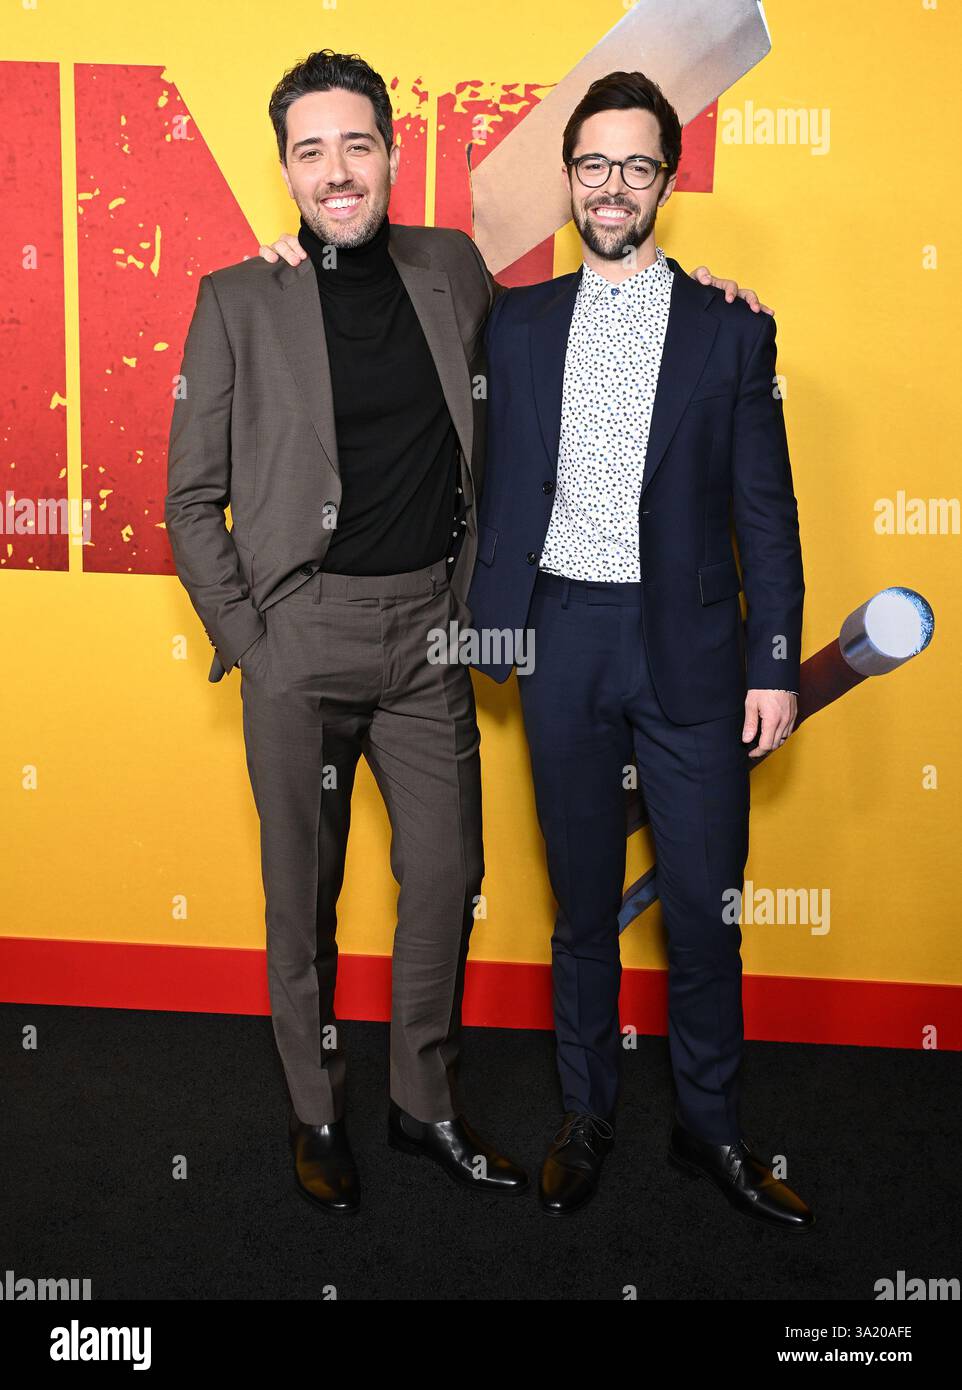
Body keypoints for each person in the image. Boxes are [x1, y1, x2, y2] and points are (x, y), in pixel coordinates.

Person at [173, 46, 762, 1217]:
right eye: (310, 150)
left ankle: (421, 1104)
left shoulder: (450, 269)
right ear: (284, 167)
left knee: (446, 876)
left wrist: (717, 302)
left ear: (390, 152)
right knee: (304, 891)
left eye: (356, 144)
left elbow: (581, 336)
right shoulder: (239, 296)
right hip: (297, 629)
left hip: (432, 634)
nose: (336, 171)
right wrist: (251, 638)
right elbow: (192, 499)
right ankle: (317, 1110)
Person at [465, 71, 813, 1227]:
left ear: (665, 178)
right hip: (560, 632)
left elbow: (764, 509)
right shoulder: (512, 322)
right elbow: (490, 490)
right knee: (578, 909)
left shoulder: (731, 327)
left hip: (695, 652)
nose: (611, 187)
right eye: (592, 165)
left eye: (636, 166)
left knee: (704, 908)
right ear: (567, 178)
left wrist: (773, 659)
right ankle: (585, 1113)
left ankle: (710, 1131)